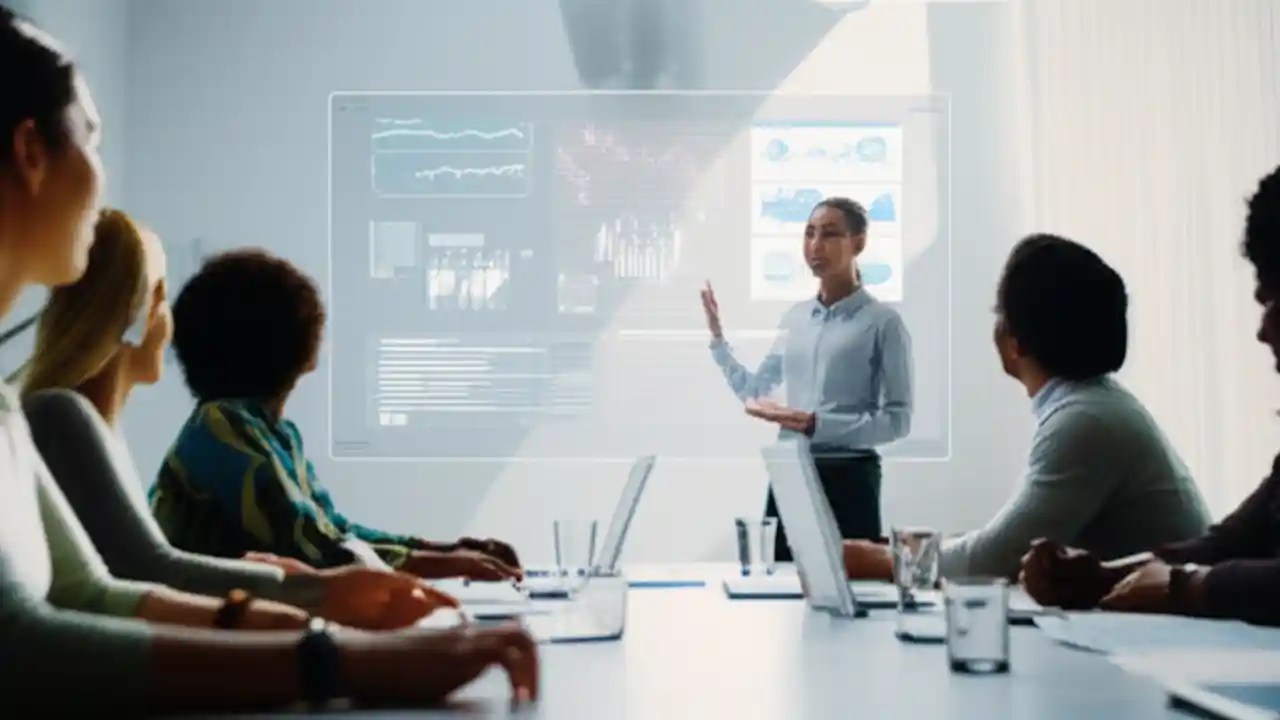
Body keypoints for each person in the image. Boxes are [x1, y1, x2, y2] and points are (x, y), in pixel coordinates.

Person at [0, 8, 537, 711]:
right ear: (32, 152)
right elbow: (23, 646)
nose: (103, 184)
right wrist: (338, 655)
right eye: (92, 138)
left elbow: (88, 592)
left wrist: (315, 611)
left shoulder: (10, 408)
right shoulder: (82, 416)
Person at [21, 207, 457, 630]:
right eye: (163, 297)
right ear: (143, 313)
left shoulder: (93, 430)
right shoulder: (64, 416)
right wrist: (309, 589)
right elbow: (146, 570)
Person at [841, 234, 1210, 581]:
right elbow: (1006, 542)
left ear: (1012, 339)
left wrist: (882, 561)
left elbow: (1000, 558)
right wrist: (908, 549)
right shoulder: (1093, 406)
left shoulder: (1086, 421)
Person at [148, 247, 522, 581]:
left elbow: (334, 529)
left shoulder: (274, 432)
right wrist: (448, 564)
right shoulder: (220, 425)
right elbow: (315, 546)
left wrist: (447, 549)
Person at [1021, 166, 1280, 627]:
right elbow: (1231, 543)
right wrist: (1105, 577)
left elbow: (991, 557)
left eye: (1273, 301)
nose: (1262, 331)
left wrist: (1188, 586)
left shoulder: (1088, 415)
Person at [701, 197, 913, 560]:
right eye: (809, 233)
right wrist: (719, 340)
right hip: (791, 473)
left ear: (859, 242)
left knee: (854, 586)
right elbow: (755, 392)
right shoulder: (794, 319)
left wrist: (818, 424)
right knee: (779, 587)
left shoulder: (883, 324)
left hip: (849, 477)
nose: (815, 245)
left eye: (829, 234)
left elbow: (897, 420)